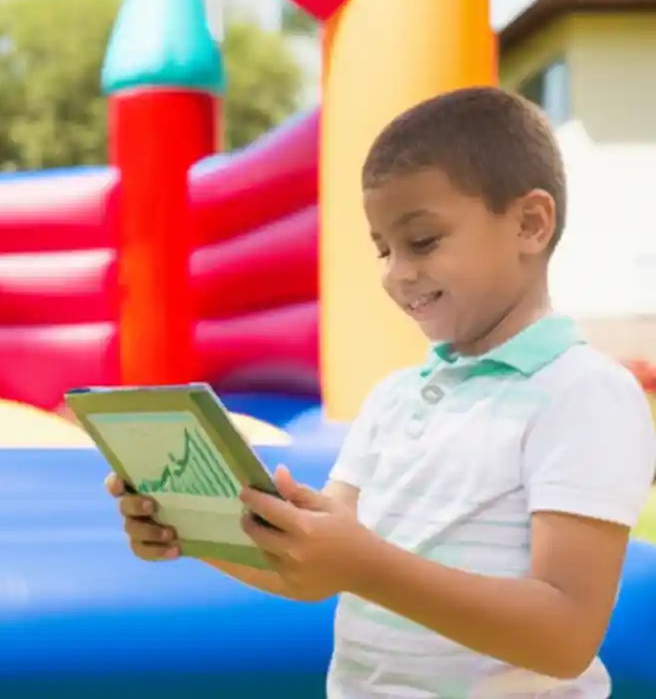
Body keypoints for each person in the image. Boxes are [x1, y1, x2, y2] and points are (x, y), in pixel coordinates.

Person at [107, 86, 656, 697]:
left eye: (422, 241)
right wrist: (191, 526)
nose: (396, 272)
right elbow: (313, 573)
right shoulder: (396, 399)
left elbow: (564, 635)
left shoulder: (582, 395)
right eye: (383, 249)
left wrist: (365, 563)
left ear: (529, 223)